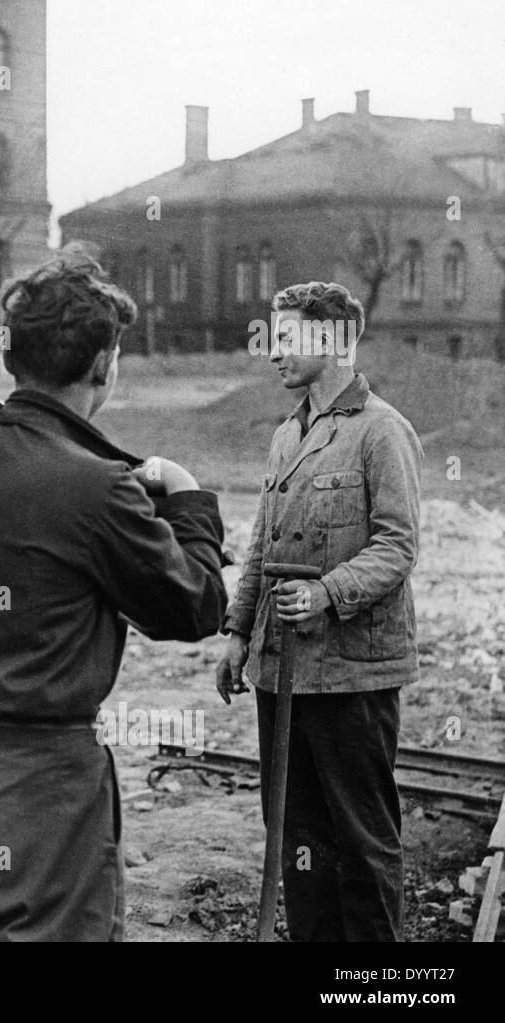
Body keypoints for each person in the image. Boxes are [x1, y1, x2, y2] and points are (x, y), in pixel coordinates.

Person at [0, 253, 228, 941]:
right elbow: (195, 605)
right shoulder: (98, 488)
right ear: (104, 364)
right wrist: (189, 497)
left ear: (12, 358)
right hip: (42, 794)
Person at [217, 281, 422, 941]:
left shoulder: (381, 432)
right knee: (297, 837)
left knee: (360, 839)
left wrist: (328, 593)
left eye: (285, 339)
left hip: (352, 674)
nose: (272, 353)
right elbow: (261, 546)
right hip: (282, 674)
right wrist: (235, 634)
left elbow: (398, 546)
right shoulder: (286, 436)